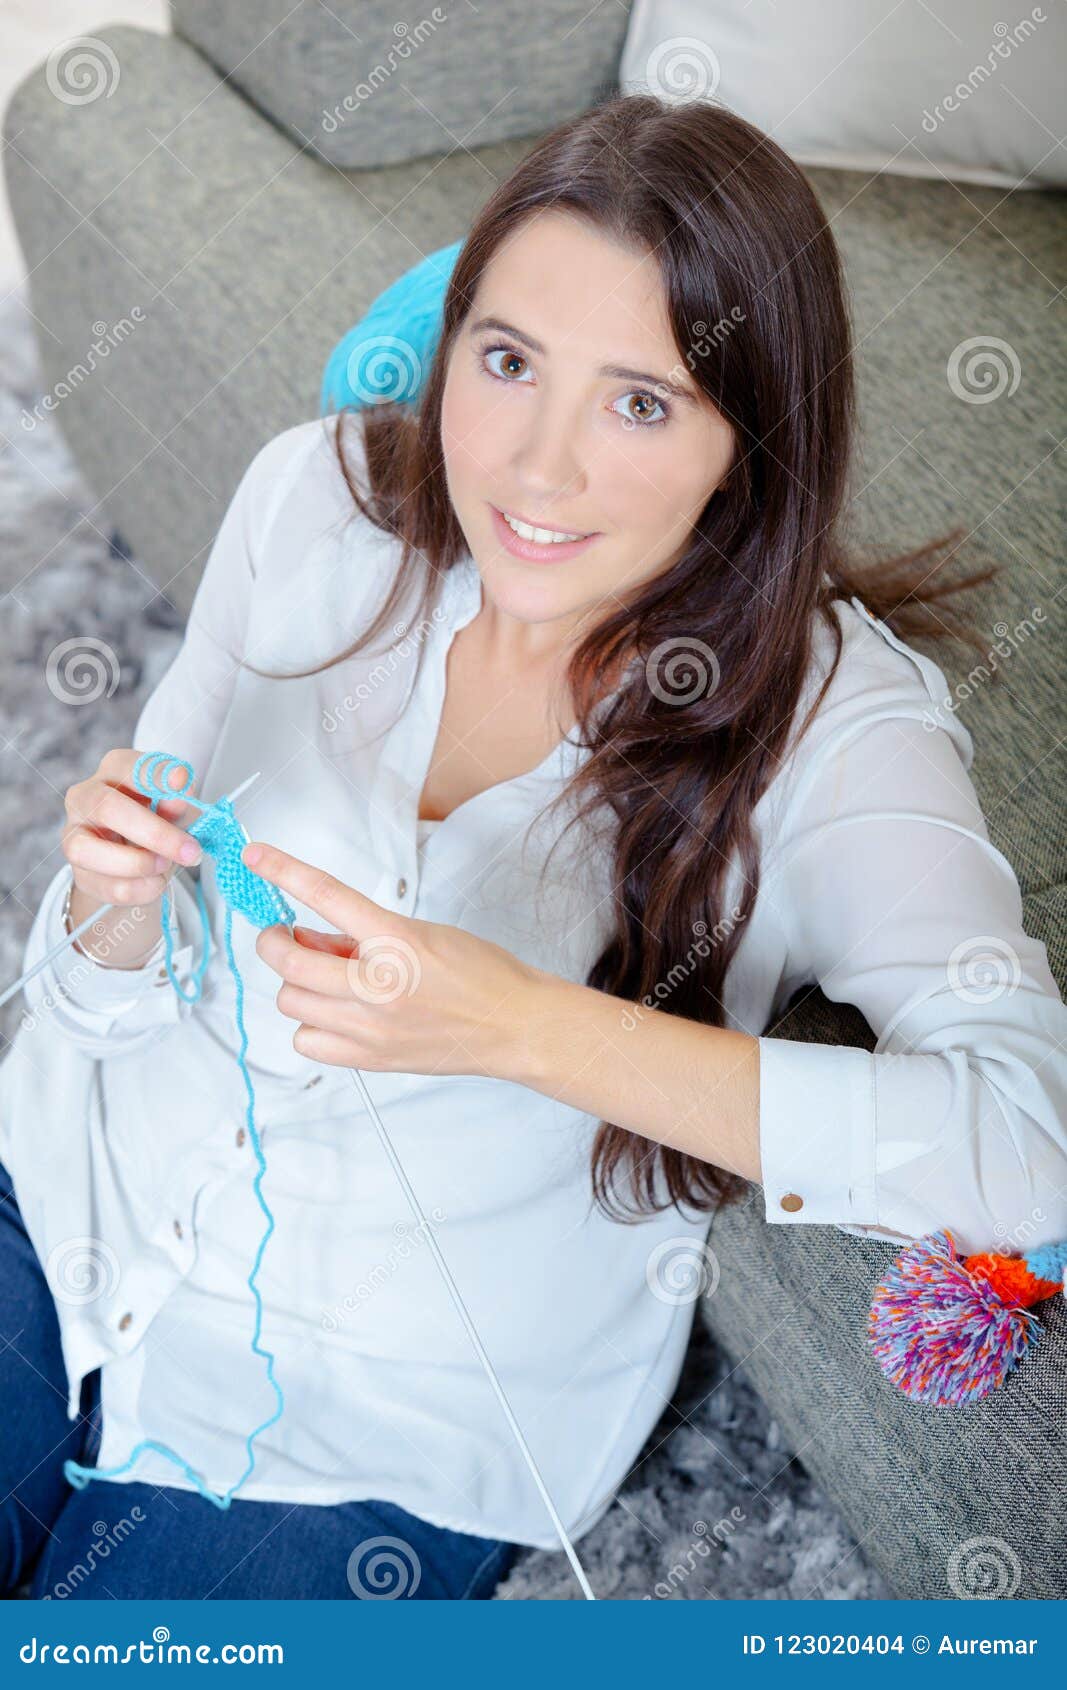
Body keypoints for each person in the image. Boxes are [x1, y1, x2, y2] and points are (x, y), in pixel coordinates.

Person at [2, 93, 1064, 1602]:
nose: (536, 469)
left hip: (378, 1423)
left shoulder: (836, 726)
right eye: (507, 363)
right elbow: (95, 997)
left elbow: (1033, 1142)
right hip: (63, 1196)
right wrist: (108, 906)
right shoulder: (319, 501)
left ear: (746, 441)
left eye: (641, 402)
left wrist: (518, 1026)